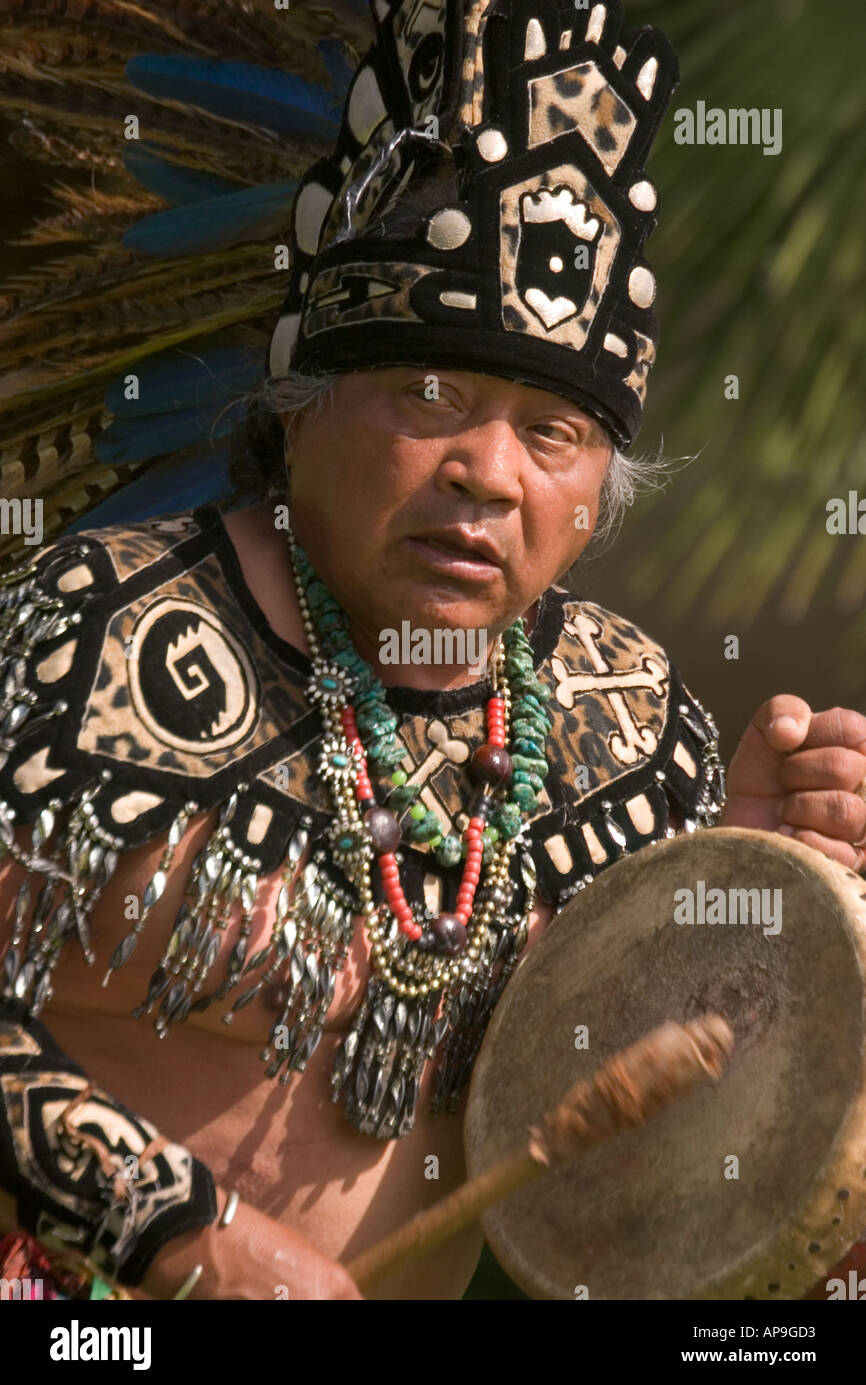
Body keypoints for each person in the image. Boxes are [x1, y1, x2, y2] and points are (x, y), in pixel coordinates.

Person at [1, 0, 865, 1303]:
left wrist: (736, 885)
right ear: (300, 410)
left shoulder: (631, 721)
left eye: (551, 433)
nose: (488, 474)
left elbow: (618, 1151)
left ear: (598, 494)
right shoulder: (91, 630)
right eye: (429, 396)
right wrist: (182, 1233)